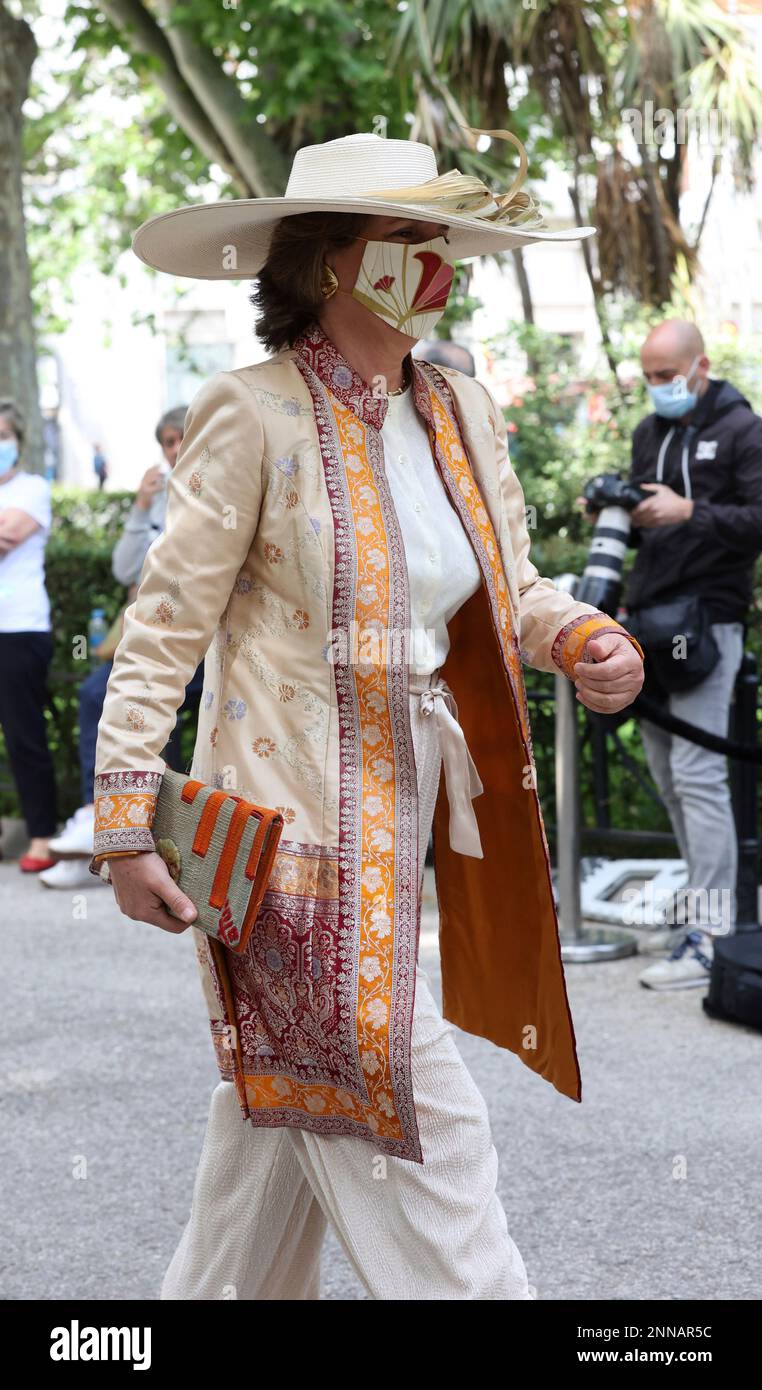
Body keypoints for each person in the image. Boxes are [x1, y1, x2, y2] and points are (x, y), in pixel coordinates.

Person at [88, 128, 644, 1300]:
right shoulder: (253, 413)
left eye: (442, 241)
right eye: (409, 238)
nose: (435, 262)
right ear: (329, 260)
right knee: (430, 1141)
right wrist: (126, 821)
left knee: (269, 1168)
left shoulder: (457, 409)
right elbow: (164, 624)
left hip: (408, 839)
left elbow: (508, 585)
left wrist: (584, 635)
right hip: (281, 853)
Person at [625, 319, 762, 988]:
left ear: (699, 366)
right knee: (669, 773)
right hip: (648, 619)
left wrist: (691, 513)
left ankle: (713, 936)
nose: (657, 387)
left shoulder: (742, 429)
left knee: (702, 776)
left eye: (665, 375)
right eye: (648, 376)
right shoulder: (649, 433)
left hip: (711, 622)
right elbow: (644, 530)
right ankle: (695, 920)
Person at [41, 406, 203, 889]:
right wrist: (139, 509)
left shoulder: (213, 488)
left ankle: (131, 835)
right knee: (97, 693)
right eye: (167, 442)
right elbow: (122, 568)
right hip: (152, 638)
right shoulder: (155, 502)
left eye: (181, 439)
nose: (174, 450)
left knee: (151, 711)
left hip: (201, 644)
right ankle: (107, 826)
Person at [0, 399, 59, 871]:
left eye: (3, 435)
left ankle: (41, 836)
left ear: (17, 439)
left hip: (20, 629)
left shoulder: (33, 489)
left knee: (25, 736)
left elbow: (5, 540)